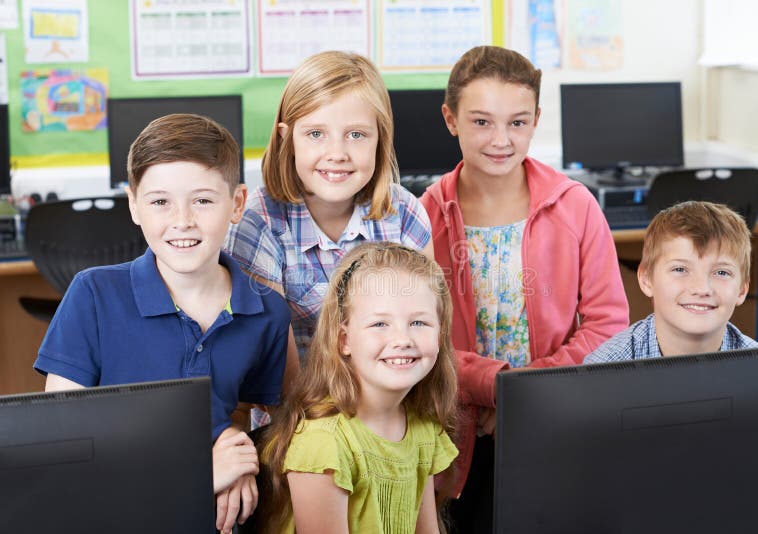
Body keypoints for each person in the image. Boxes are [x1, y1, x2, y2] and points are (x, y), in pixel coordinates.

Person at [32, 114, 296, 533]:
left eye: (203, 201)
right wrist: (200, 475)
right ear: (134, 204)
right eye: (160, 202)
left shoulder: (267, 312)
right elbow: (61, 448)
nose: (182, 220)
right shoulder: (93, 295)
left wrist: (239, 453)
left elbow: (249, 415)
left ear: (237, 204)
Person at [419, 45, 629, 531]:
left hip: (550, 420)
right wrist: (497, 390)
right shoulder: (424, 214)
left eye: (517, 122)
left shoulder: (575, 206)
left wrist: (525, 395)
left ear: (536, 120)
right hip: (451, 431)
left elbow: (607, 326)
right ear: (450, 119)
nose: (501, 140)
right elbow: (420, 334)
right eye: (481, 122)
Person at [224, 50, 433, 428]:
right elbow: (276, 370)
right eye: (316, 134)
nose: (337, 154)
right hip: (300, 425)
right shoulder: (260, 220)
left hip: (393, 418)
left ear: (380, 139)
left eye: (356, 135)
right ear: (287, 139)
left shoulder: (404, 214)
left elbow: (425, 333)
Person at [254, 242, 458, 534]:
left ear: (440, 334)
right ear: (344, 340)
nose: (403, 339)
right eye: (380, 324)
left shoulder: (422, 427)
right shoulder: (323, 443)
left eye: (418, 322)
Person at [585, 200, 758, 363]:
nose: (702, 289)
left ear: (742, 289)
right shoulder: (603, 369)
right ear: (646, 279)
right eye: (680, 270)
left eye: (721, 272)